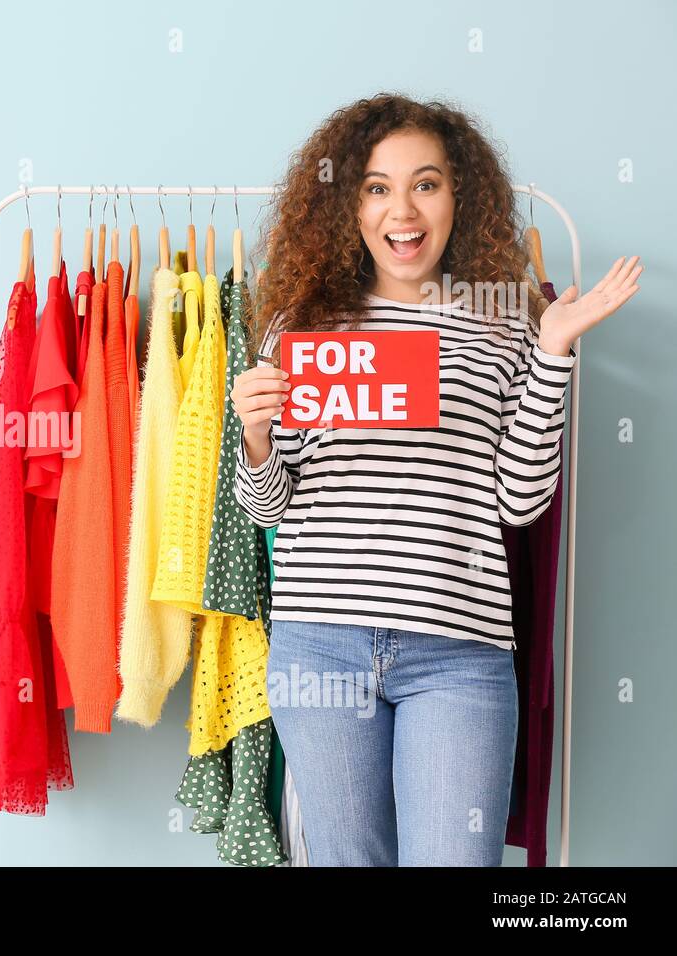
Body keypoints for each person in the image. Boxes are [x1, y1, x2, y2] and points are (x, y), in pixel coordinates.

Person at [230, 93, 641, 866]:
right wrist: (254, 435)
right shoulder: (302, 325)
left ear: (461, 195)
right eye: (376, 187)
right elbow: (267, 507)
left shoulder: (504, 322)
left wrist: (552, 354)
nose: (403, 209)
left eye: (426, 183)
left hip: (459, 651)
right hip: (321, 645)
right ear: (347, 204)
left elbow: (521, 501)